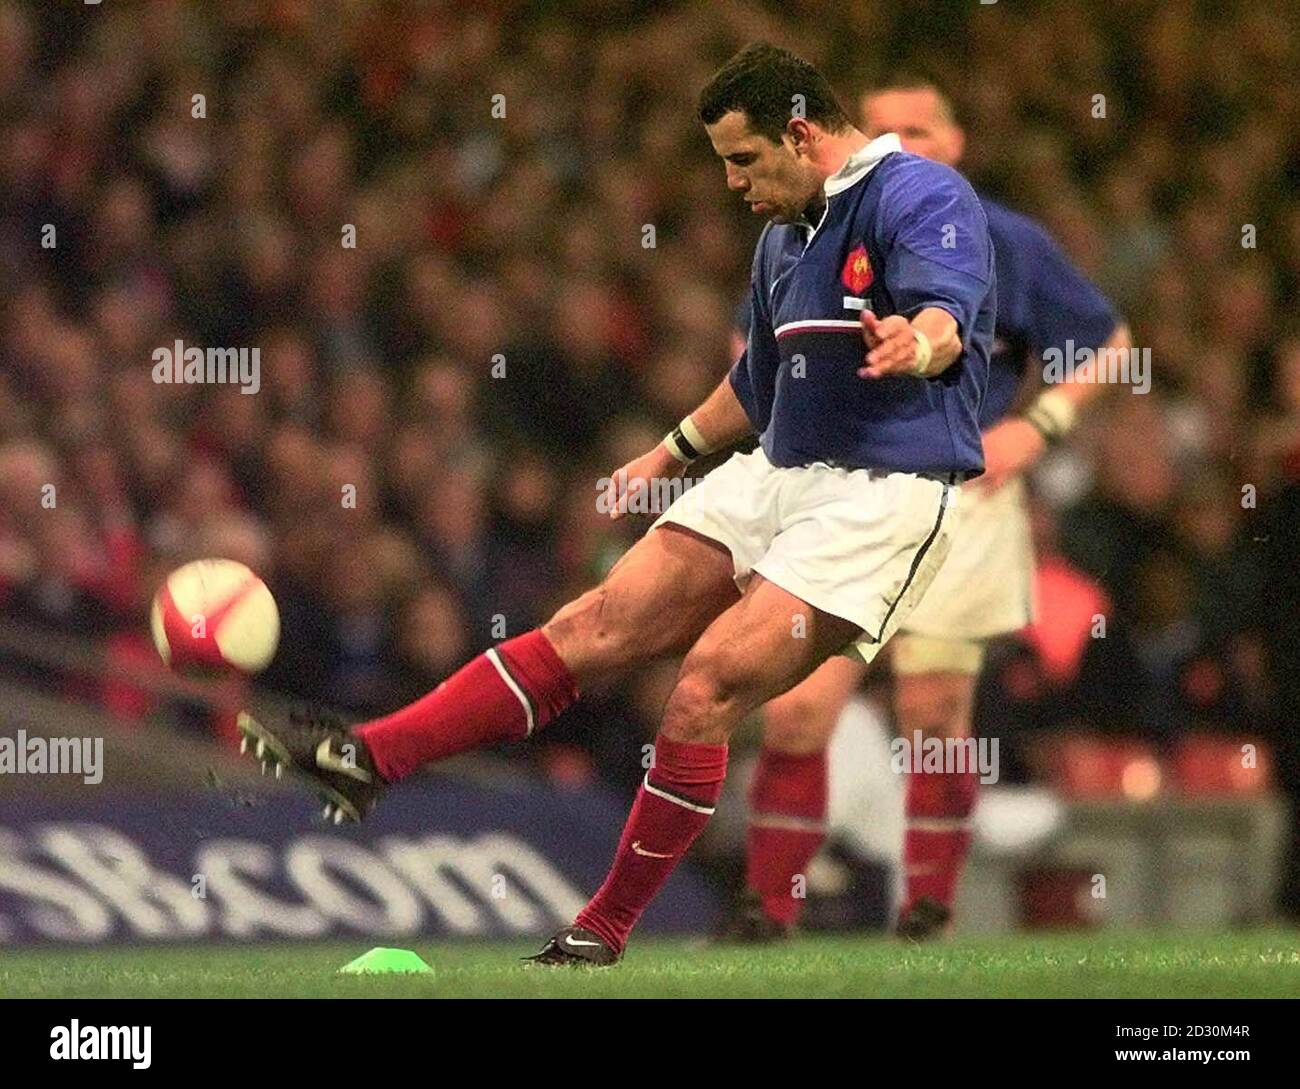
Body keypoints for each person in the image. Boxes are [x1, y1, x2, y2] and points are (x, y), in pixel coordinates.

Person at [236, 43, 994, 966]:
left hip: (886, 493)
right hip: (778, 470)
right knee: (594, 623)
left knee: (706, 684)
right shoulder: (779, 241)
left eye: (743, 159)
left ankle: (599, 933)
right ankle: (368, 759)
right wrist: (667, 452)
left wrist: (911, 347)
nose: (730, 182)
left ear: (800, 133)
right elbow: (756, 381)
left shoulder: (917, 195)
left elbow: (947, 322)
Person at [722, 77, 1131, 944]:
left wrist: (1038, 428)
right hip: (839, 497)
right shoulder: (810, 230)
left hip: (964, 497)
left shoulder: (1006, 240)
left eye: (920, 127)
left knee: (935, 718)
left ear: (956, 141)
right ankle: (767, 916)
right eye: (883, 128)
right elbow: (748, 348)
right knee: (796, 708)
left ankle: (927, 917)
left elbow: (1108, 342)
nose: (902, 141)